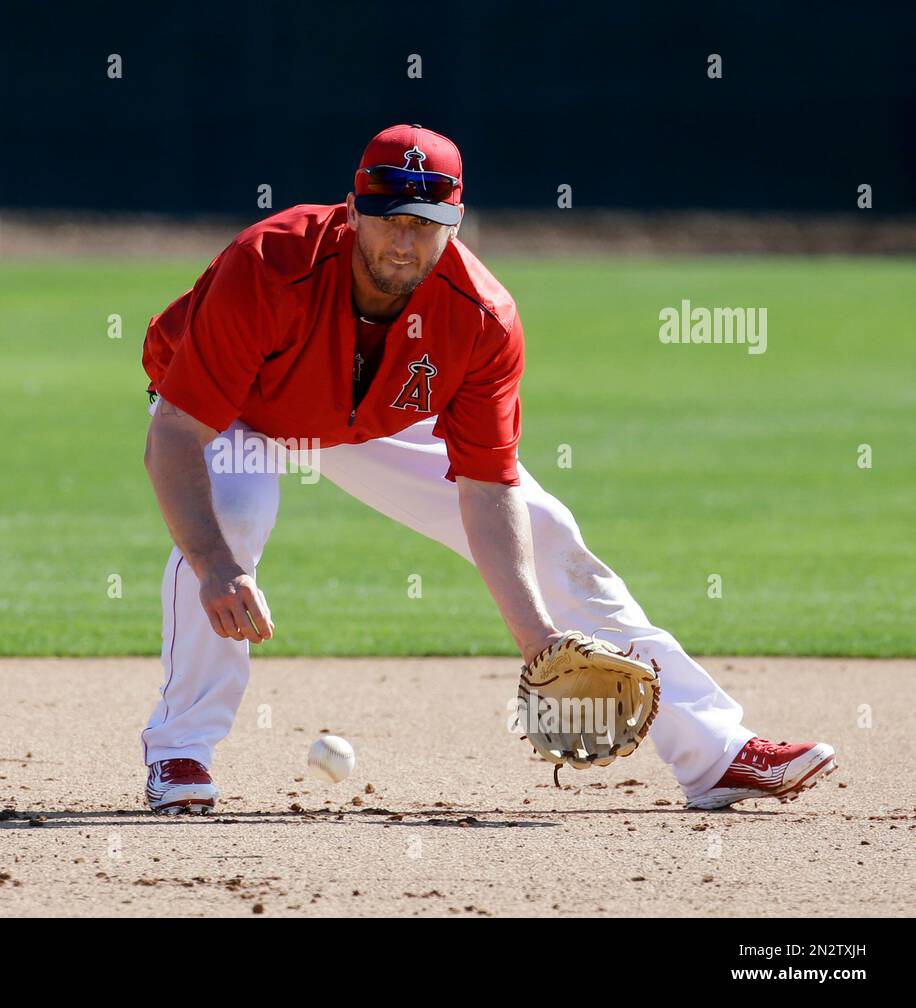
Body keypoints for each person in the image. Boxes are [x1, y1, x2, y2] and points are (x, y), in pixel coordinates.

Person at [138, 123, 835, 815]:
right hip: (230, 406)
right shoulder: (270, 265)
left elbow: (486, 484)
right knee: (228, 524)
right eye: (386, 220)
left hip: (364, 414)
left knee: (547, 529)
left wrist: (537, 639)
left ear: (456, 223)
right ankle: (182, 750)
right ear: (352, 213)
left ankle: (715, 753)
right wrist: (215, 563)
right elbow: (175, 433)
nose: (403, 241)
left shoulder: (483, 317)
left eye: (425, 222)